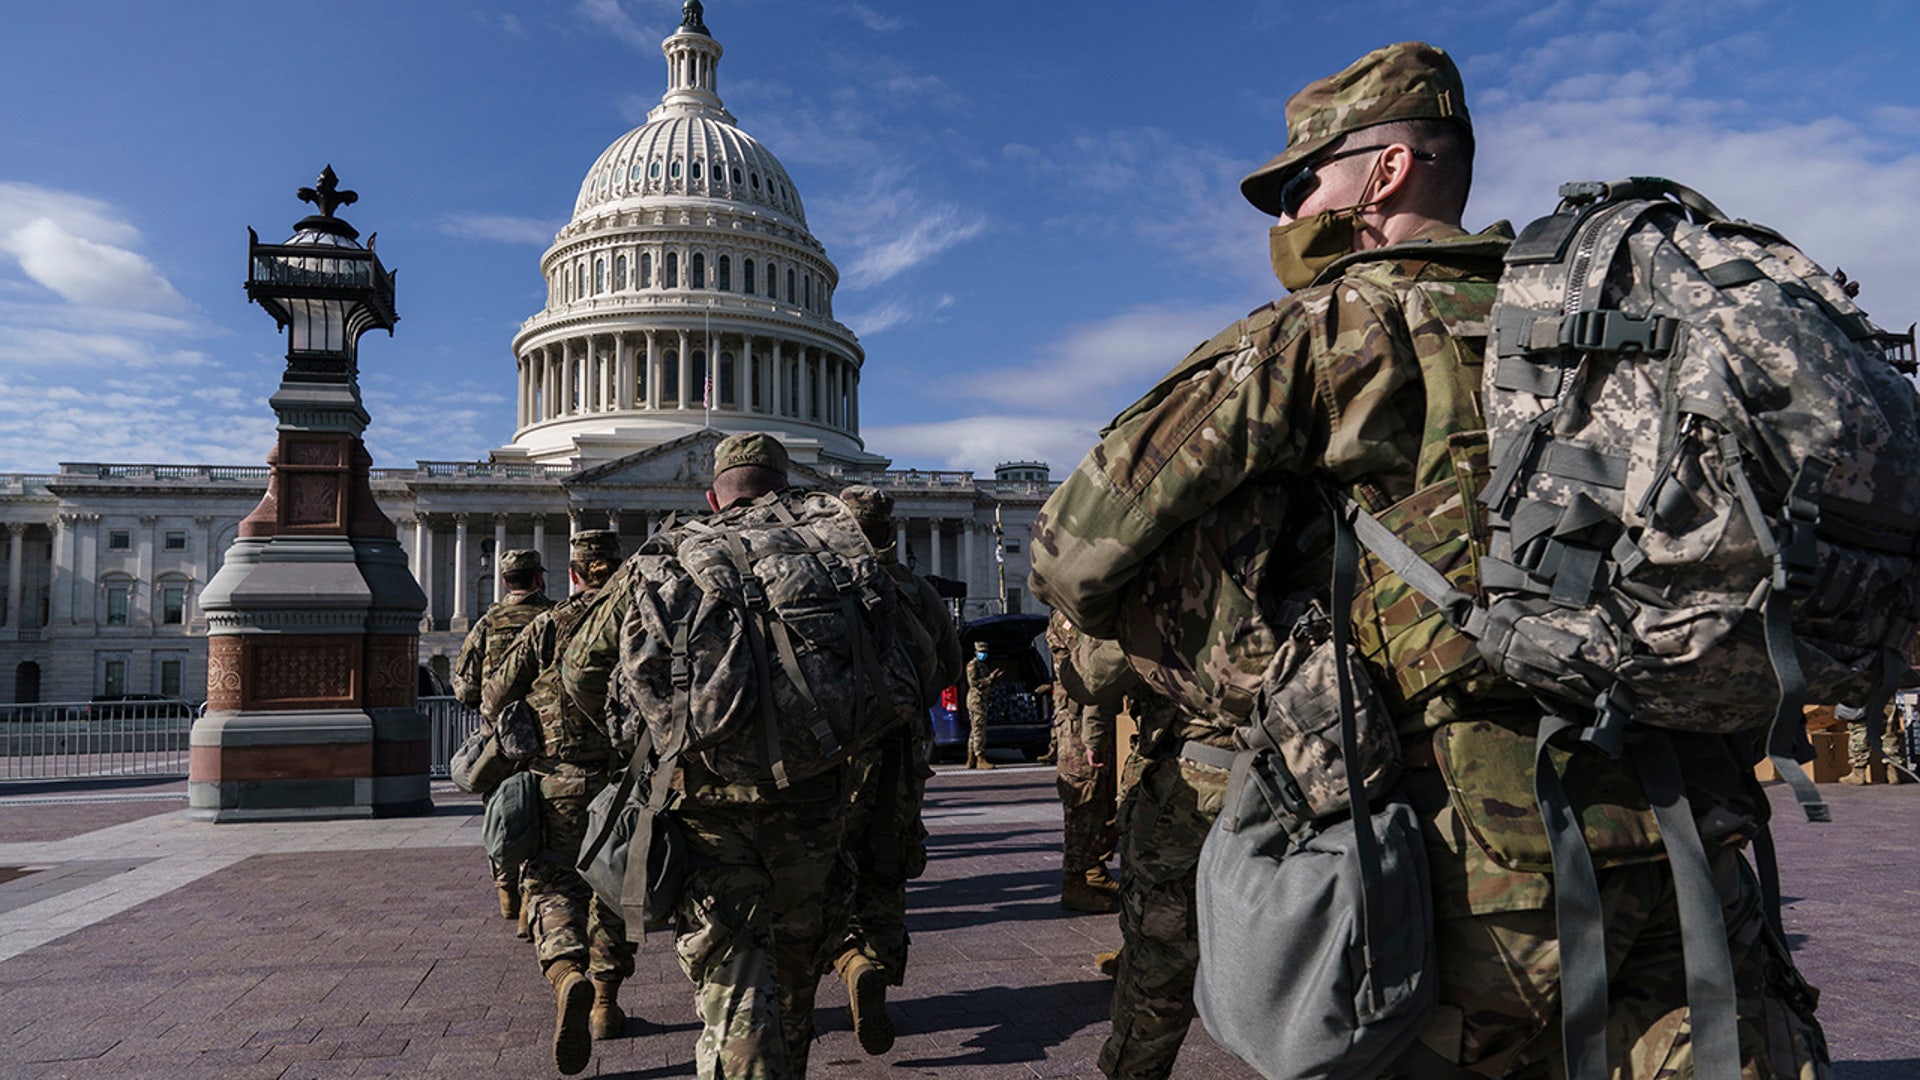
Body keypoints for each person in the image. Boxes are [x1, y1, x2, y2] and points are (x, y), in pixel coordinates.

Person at [1031, 41, 1828, 1080]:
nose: (1282, 213)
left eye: (1298, 181)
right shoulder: (1621, 330)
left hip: (1478, 863)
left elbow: (1072, 549)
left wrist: (1270, 685)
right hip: (1696, 836)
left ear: (1386, 172)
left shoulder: (1328, 328)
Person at [559, 432, 861, 1079]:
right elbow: (912, 667)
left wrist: (647, 737)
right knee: (794, 988)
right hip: (814, 803)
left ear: (710, 493)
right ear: (787, 485)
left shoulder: (666, 555)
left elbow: (580, 669)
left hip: (707, 806)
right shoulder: (831, 554)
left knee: (736, 993)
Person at [481, 530, 630, 1076]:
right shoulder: (646, 621)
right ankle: (608, 1004)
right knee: (615, 888)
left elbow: (493, 695)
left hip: (557, 777)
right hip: (625, 783)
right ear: (615, 566)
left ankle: (568, 974)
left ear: (572, 573)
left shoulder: (551, 623)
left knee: (550, 884)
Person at [827, 484, 965, 1055]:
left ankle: (848, 956)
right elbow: (949, 667)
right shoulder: (915, 589)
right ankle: (878, 965)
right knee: (886, 867)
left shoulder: (815, 585)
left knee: (826, 869)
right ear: (890, 528)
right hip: (900, 756)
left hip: (834, 756)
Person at [450, 548, 553, 923]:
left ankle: (506, 889)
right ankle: (532, 899)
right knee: (546, 816)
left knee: (502, 812)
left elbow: (464, 688)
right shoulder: (554, 617)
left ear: (506, 581)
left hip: (500, 740)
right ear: (538, 579)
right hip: (546, 735)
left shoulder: (486, 623)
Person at [1045, 610, 1121, 915]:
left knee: (1101, 798)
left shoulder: (1075, 610)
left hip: (1089, 718)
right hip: (1078, 722)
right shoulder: (1073, 615)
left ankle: (1094, 871)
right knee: (1083, 801)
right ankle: (1074, 882)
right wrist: (1094, 735)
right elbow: (1094, 673)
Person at [962, 646, 1005, 769]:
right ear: (976, 652)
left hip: (982, 700)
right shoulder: (972, 665)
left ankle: (971, 759)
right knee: (979, 729)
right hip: (976, 700)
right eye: (981, 652)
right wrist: (990, 678)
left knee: (975, 729)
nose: (983, 654)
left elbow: (987, 683)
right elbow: (975, 683)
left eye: (985, 652)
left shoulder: (983, 666)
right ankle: (979, 757)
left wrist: (994, 679)